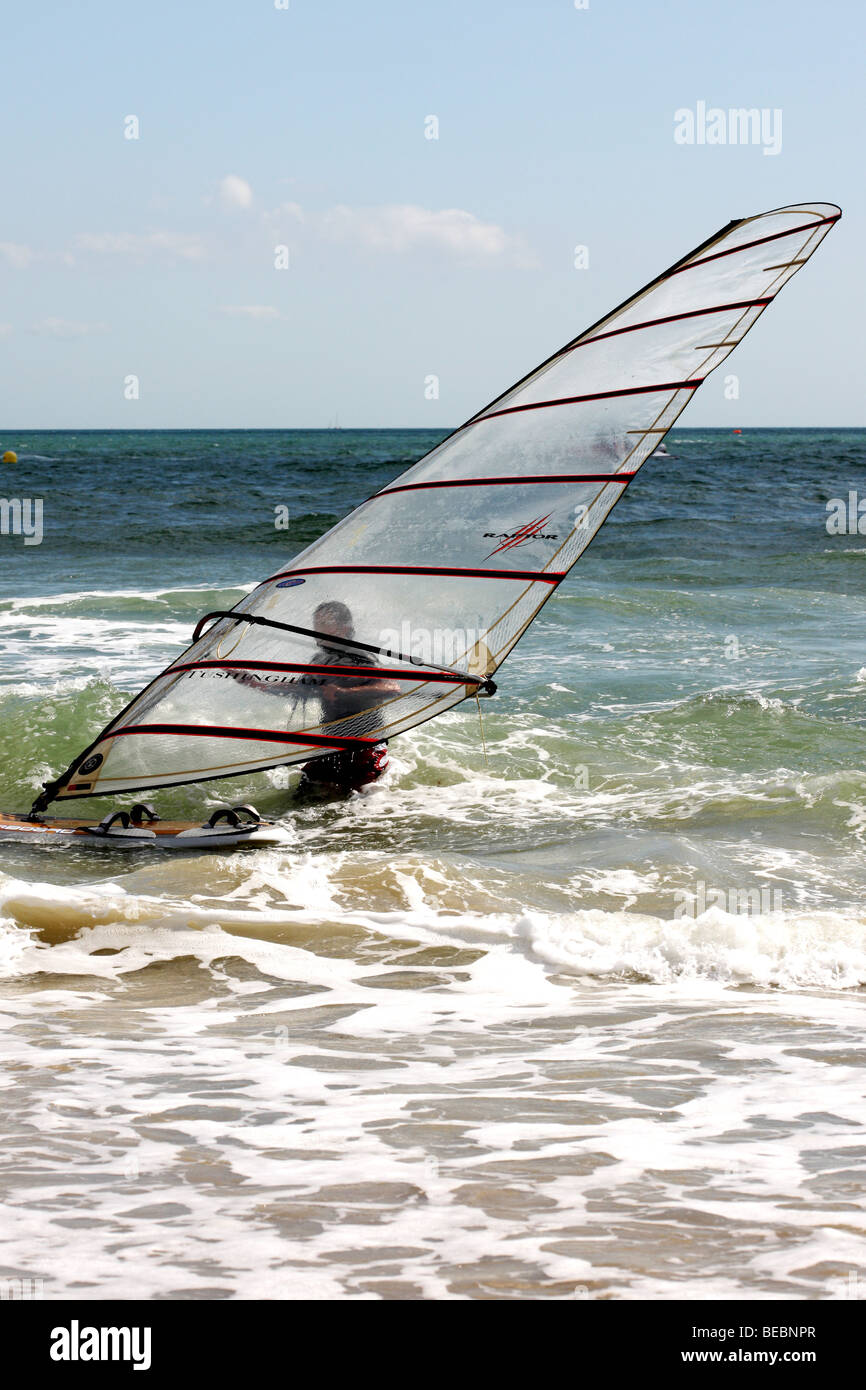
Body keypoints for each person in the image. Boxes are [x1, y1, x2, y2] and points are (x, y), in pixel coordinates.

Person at [227, 600, 398, 794]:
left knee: (355, 799)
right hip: (331, 745)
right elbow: (301, 689)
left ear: (344, 628)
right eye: (317, 623)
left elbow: (391, 687)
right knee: (304, 791)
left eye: (325, 624)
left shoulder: (358, 657)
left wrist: (344, 692)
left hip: (365, 747)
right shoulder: (321, 660)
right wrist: (256, 684)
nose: (318, 629)